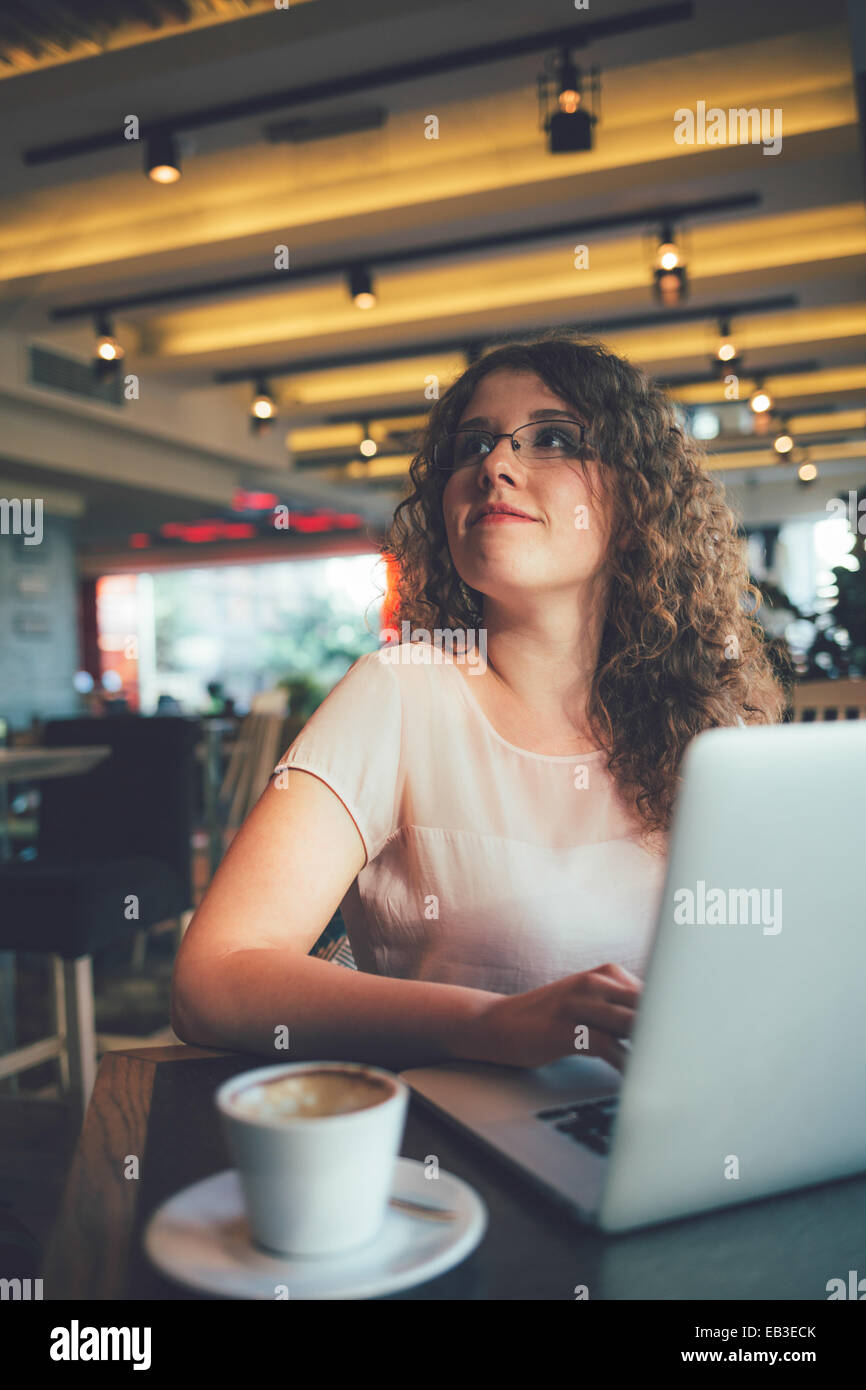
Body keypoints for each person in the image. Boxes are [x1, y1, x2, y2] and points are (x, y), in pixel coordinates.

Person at [171, 333, 785, 1072]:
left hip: (688, 1114)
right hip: (465, 1129)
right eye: (472, 446)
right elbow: (212, 978)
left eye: (552, 439)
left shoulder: (710, 718)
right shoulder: (400, 694)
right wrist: (484, 1022)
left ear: (636, 502)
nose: (494, 464)